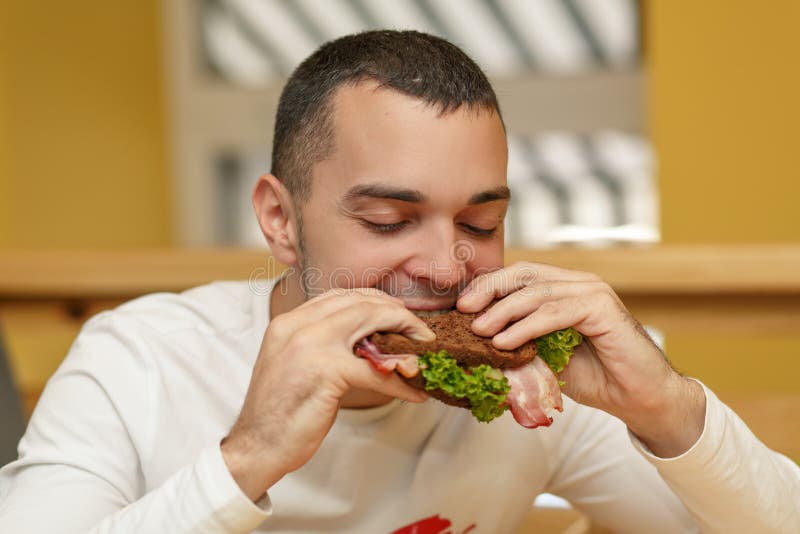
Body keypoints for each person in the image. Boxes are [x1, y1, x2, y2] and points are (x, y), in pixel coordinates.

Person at [0, 30, 797, 534]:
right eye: (386, 221)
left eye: (482, 225)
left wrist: (668, 410)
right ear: (281, 220)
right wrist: (246, 459)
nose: (447, 267)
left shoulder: (536, 392)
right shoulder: (137, 362)